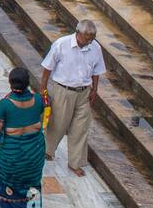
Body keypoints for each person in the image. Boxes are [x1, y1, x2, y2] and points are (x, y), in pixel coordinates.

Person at [40, 20, 105, 177]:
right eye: (87, 38)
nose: (90, 41)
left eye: (92, 38)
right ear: (78, 34)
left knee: (80, 128)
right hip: (62, 90)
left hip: (84, 92)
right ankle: (48, 151)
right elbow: (47, 67)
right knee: (58, 124)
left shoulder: (95, 47)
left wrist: (95, 89)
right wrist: (43, 89)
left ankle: (75, 162)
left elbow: (97, 70)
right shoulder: (61, 44)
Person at [0, 66, 46, 208]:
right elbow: (41, 122)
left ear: (10, 83)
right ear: (28, 83)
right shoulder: (38, 100)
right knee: (34, 186)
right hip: (35, 151)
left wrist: (5, 144)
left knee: (4, 184)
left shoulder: (5, 105)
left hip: (12, 155)